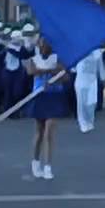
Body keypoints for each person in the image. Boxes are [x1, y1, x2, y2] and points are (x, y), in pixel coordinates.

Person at [25, 35, 70, 180]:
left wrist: (57, 73)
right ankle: (35, 162)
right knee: (39, 132)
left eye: (47, 44)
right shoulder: (34, 58)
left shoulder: (58, 59)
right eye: (42, 43)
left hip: (54, 96)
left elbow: (66, 77)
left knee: (49, 131)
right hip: (39, 96)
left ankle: (48, 167)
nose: (44, 46)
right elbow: (31, 71)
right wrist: (47, 71)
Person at [73, 45, 105, 133]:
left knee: (91, 102)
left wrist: (102, 78)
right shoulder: (78, 52)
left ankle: (90, 121)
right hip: (80, 80)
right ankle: (82, 122)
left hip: (92, 80)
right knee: (81, 102)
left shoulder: (97, 53)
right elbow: (73, 68)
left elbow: (100, 67)